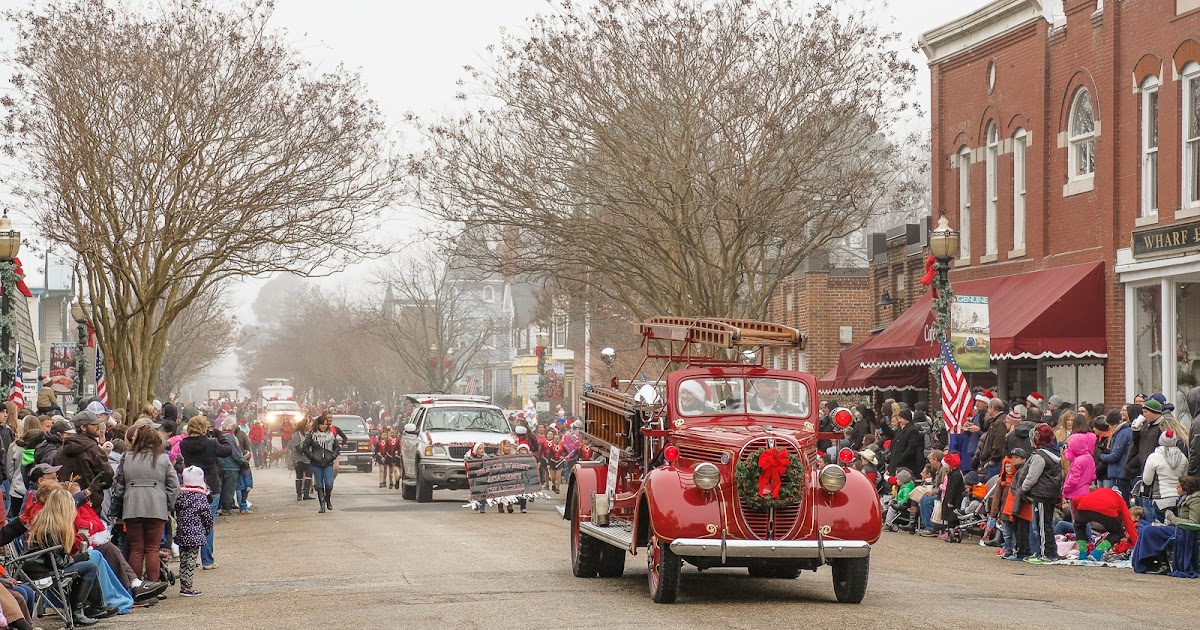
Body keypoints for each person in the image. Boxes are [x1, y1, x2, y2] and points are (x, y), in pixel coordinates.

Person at [24, 487, 107, 625]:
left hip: (35, 570)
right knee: (90, 567)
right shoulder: (53, 529)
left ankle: (95, 607)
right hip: (43, 573)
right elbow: (58, 563)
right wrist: (79, 557)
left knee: (86, 565)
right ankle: (79, 612)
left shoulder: (45, 522)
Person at [113, 424, 179, 584]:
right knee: (152, 549)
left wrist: (121, 505)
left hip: (132, 507)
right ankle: (154, 585)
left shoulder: (127, 457)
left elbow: (118, 484)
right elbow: (174, 485)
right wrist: (167, 504)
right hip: (157, 507)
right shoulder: (163, 459)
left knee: (136, 549)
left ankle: (137, 586)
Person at [179, 415, 231, 570]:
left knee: (192, 522)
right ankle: (207, 560)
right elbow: (227, 451)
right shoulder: (212, 443)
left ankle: (191, 558)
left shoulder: (184, 444)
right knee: (208, 523)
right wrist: (220, 435)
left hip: (191, 486)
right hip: (210, 485)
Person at [1017, 423, 1062, 563]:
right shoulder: (1054, 453)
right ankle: (1050, 551)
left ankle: (1046, 553)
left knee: (1042, 525)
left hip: (1042, 494)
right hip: (1052, 493)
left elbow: (1031, 477)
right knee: (1047, 524)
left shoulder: (1040, 456)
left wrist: (1023, 489)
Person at [53, 411, 114, 513]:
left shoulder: (61, 450)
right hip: (89, 505)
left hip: (64, 504)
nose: (98, 426)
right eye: (94, 424)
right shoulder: (94, 450)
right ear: (83, 427)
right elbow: (107, 477)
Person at [174, 466, 214, 597]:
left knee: (183, 560)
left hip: (182, 533)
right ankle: (188, 587)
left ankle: (183, 585)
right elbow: (207, 517)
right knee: (191, 561)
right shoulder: (201, 498)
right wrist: (207, 529)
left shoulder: (180, 496)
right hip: (196, 534)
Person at [1072, 487, 1138, 563]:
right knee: (1117, 533)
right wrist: (1137, 545)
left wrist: (1076, 516)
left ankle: (1082, 553)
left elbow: (1075, 500)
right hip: (1107, 511)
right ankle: (1097, 552)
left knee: (1079, 526)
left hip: (1084, 507)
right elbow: (1129, 523)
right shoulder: (1120, 501)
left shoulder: (1099, 491)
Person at [1142, 429, 1187, 522]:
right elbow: (1185, 479)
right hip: (1179, 500)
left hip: (1160, 499)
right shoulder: (1183, 458)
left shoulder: (1154, 457)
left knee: (1161, 529)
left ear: (1160, 441)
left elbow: (1147, 480)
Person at [303, 412, 343, 514]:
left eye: (326, 424)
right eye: (323, 424)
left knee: (329, 484)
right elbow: (305, 447)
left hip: (328, 462)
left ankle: (327, 499)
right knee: (319, 484)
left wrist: (333, 456)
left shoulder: (331, 435)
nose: (325, 426)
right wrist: (312, 456)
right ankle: (322, 506)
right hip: (316, 463)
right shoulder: (311, 435)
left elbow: (336, 447)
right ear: (318, 424)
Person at [1062, 430, 1098, 516]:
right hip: (1085, 490)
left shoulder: (1077, 461)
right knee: (1084, 519)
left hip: (1075, 493)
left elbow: (1073, 479)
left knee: (1076, 520)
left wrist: (1065, 489)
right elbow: (1093, 475)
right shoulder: (1089, 457)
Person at [1100, 408, 1133, 497]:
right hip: (1120, 474)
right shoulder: (1125, 432)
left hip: (1119, 474)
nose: (1109, 428)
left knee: (1121, 501)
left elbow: (1115, 455)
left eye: (1110, 425)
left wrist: (1102, 456)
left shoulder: (1122, 434)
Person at [975, 398, 1008, 480]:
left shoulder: (999, 422)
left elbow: (999, 442)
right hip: (992, 462)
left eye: (988, 407)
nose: (987, 410)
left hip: (995, 463)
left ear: (992, 408)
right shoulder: (995, 421)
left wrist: (992, 459)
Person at [290, 417, 313, 501]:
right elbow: (297, 446)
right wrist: (306, 452)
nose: (310, 425)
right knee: (299, 476)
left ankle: (306, 494)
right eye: (308, 423)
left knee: (309, 476)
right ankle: (299, 494)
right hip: (298, 459)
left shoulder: (308, 434)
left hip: (307, 459)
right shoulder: (297, 434)